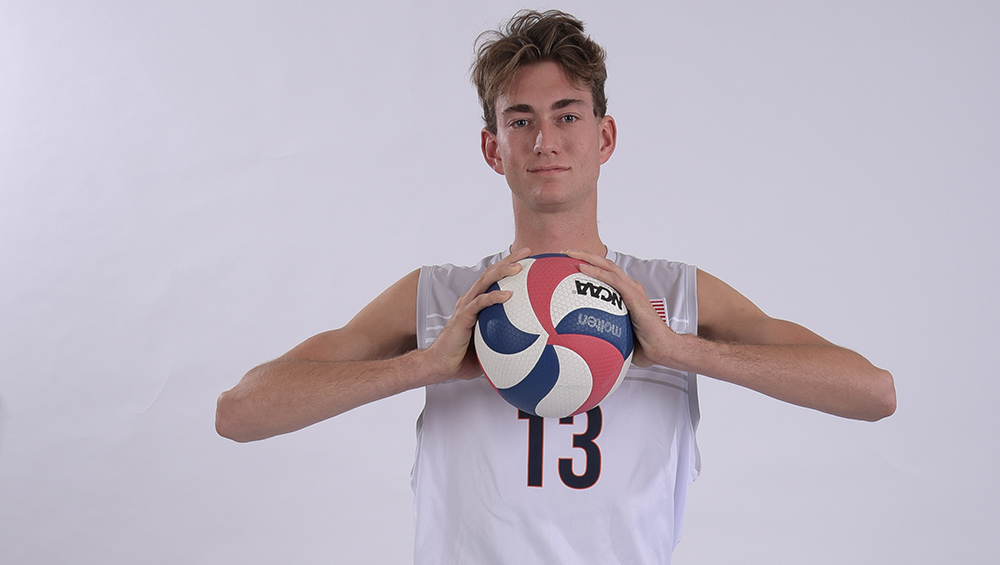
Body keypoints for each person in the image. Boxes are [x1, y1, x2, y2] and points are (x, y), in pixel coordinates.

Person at [216, 9, 895, 563]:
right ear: (493, 148)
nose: (545, 139)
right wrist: (424, 365)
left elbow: (873, 392)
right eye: (521, 120)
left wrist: (684, 351)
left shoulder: (675, 295)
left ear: (605, 137)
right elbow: (240, 412)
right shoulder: (439, 297)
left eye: (568, 115)